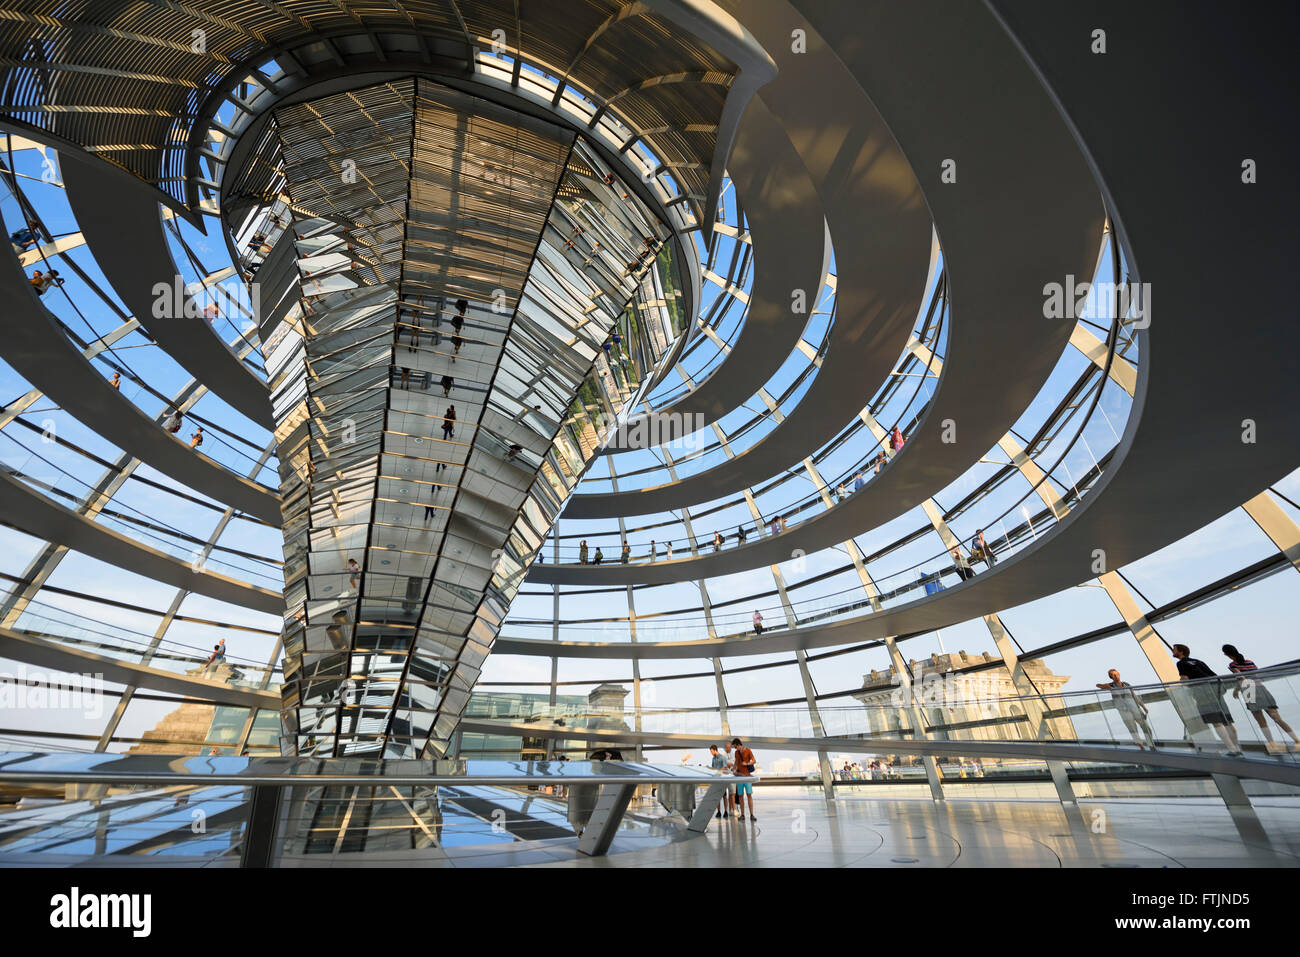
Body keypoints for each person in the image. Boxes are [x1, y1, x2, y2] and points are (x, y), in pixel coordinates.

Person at [1223, 645, 1299, 750]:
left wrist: (1236, 690)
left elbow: (1242, 679)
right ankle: (1296, 740)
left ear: (1227, 654)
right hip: (1261, 689)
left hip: (1249, 691)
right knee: (1277, 718)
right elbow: (1257, 676)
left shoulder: (1233, 665)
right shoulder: (1250, 662)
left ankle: (1272, 745)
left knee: (1261, 721)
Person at [1172, 644, 1240, 754]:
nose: (1172, 651)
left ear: (1181, 652)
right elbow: (1213, 675)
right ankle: (1237, 748)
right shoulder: (1198, 661)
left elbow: (1184, 679)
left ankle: (1232, 750)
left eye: (1174, 649)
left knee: (1216, 722)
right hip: (1215, 689)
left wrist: (1181, 683)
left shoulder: (1181, 663)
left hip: (1202, 691)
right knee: (1227, 721)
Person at [1096, 669, 1156, 749]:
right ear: (1111, 677)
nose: (1116, 675)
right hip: (1124, 711)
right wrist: (1105, 686)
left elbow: (1134, 696)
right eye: (1113, 675)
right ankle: (1141, 746)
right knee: (1132, 729)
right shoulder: (1111, 685)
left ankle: (1151, 745)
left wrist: (1143, 707)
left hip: (1135, 708)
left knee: (1146, 727)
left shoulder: (1126, 684)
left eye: (1117, 674)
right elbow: (1098, 685)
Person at [731, 737, 757, 820]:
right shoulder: (736, 753)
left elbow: (754, 761)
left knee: (749, 795)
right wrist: (733, 768)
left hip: (747, 777)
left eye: (735, 746)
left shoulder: (748, 750)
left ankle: (752, 814)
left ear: (739, 745)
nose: (735, 748)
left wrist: (747, 763)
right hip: (739, 777)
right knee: (741, 796)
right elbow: (736, 762)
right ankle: (742, 815)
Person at [708, 745, 729, 818]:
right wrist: (709, 768)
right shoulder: (713, 758)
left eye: (711, 751)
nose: (711, 753)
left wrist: (718, 770)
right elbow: (713, 768)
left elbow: (725, 767)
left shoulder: (722, 757)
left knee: (724, 796)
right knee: (717, 796)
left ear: (715, 750)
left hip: (722, 779)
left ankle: (726, 811)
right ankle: (719, 811)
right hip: (716, 779)